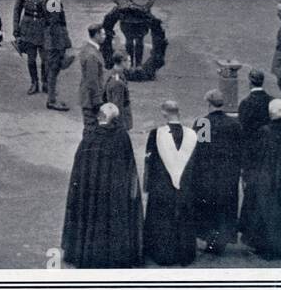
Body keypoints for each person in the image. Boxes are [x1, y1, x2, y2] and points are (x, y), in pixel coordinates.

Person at [61, 103, 143, 269]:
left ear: (101, 117)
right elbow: (129, 165)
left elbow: (80, 170)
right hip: (116, 191)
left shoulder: (90, 138)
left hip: (93, 192)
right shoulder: (122, 137)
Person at [239, 97, 281, 263]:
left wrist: (249, 177)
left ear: (270, 113)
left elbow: (254, 158)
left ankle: (268, 248)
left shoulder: (264, 132)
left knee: (266, 215)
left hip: (266, 182)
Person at [143, 98, 198, 265]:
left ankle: (162, 254)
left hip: (162, 185)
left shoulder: (156, 134)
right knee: (184, 218)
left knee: (162, 220)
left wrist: (148, 186)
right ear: (178, 113)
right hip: (185, 185)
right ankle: (185, 255)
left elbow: (149, 161)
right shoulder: (192, 135)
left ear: (164, 113)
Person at [189, 90, 242, 255]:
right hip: (228, 174)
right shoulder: (234, 124)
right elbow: (239, 150)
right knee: (225, 209)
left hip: (207, 174)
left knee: (207, 209)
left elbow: (197, 149)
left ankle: (209, 240)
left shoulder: (202, 123)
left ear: (209, 103)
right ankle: (222, 239)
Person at [13, 0, 50, 95]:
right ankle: (34, 83)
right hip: (28, 29)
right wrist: (16, 28)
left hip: (43, 29)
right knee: (31, 59)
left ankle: (45, 82)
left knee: (45, 59)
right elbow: (17, 10)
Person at [42, 0, 72, 112]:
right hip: (55, 41)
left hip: (53, 40)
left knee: (53, 70)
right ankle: (52, 100)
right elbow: (54, 23)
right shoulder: (54, 1)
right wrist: (60, 45)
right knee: (53, 70)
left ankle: (52, 97)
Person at [238, 67, 271, 181]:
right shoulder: (271, 101)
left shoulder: (246, 103)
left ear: (250, 83)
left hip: (251, 151)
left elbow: (242, 129)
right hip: (267, 149)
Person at [79, 22, 106, 130]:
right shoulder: (92, 55)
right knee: (91, 128)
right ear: (97, 35)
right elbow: (92, 80)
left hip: (88, 96)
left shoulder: (88, 48)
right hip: (90, 100)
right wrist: (97, 101)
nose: (105, 36)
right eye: (103, 34)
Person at [102, 51, 132, 131]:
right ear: (122, 62)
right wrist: (119, 127)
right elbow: (117, 106)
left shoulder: (113, 74)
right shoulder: (118, 82)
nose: (130, 63)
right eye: (129, 61)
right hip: (119, 124)